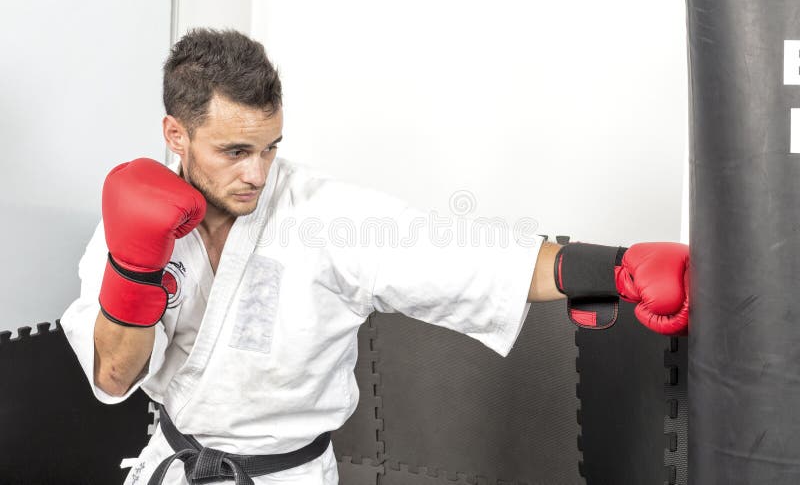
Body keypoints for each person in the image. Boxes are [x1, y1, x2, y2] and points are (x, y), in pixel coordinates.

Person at [62, 28, 690, 485]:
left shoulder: (324, 216)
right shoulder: (134, 224)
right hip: (173, 467)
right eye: (234, 152)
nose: (257, 173)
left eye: (271, 148)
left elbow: (453, 254)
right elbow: (114, 377)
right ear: (177, 133)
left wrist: (611, 267)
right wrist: (135, 265)